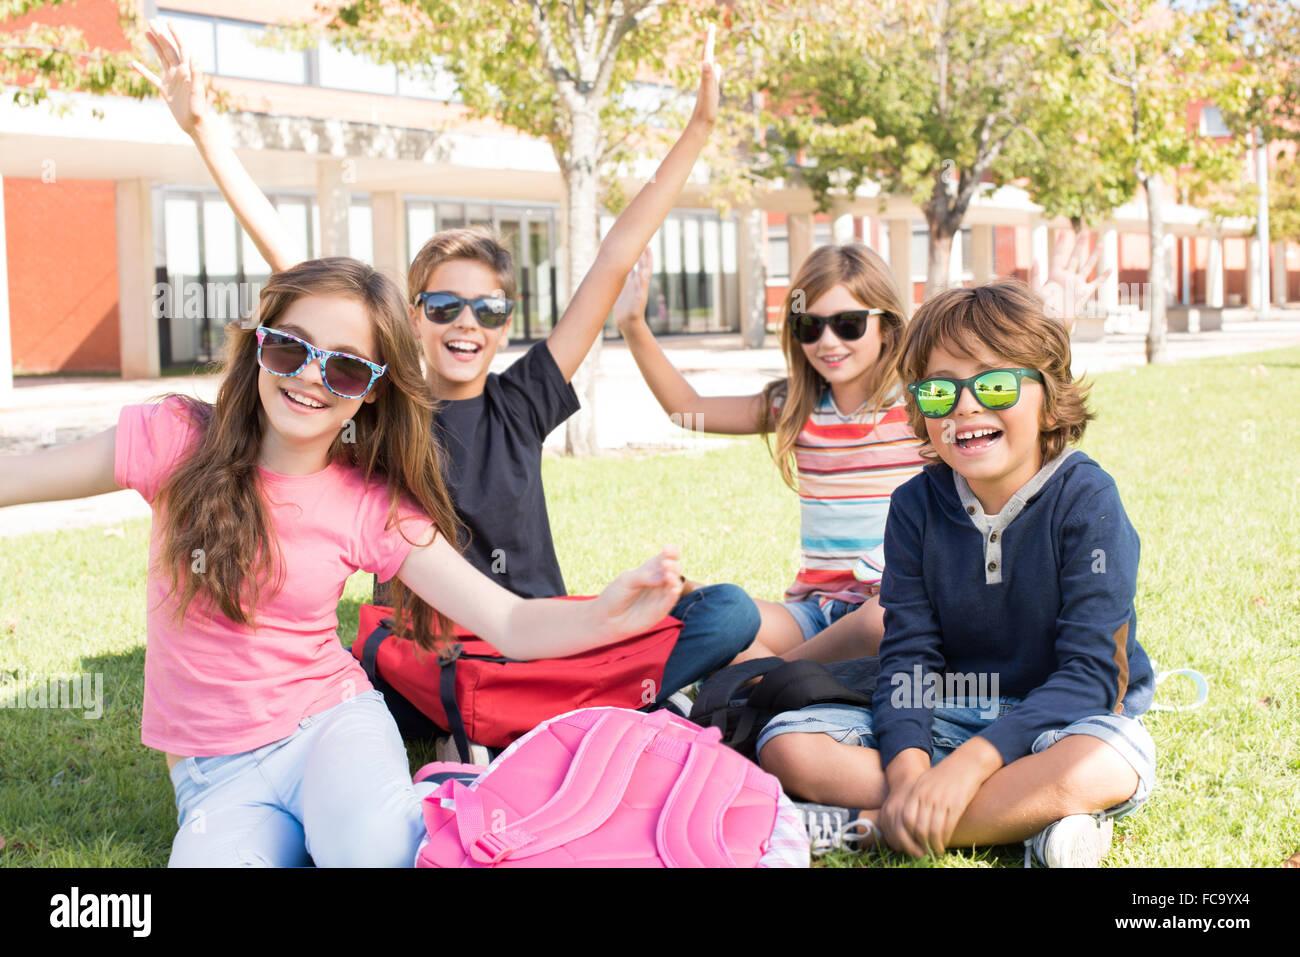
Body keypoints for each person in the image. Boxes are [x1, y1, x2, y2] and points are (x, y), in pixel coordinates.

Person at [134, 23, 760, 704]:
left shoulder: (524, 399)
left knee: (729, 609)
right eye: (444, 305)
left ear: (505, 326)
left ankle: (557, 701)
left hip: (539, 642)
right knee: (357, 671)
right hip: (428, 662)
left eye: (488, 311)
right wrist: (203, 131)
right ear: (409, 317)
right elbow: (297, 266)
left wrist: (698, 127)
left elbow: (613, 258)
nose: (467, 322)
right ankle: (578, 705)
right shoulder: (377, 403)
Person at [0, 259, 685, 867]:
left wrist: (607, 612)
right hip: (216, 775)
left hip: (329, 728)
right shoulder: (172, 440)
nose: (311, 376)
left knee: (372, 851)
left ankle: (428, 802)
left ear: (373, 389)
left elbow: (507, 620)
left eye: (347, 366)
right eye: (292, 348)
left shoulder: (370, 506)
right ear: (260, 345)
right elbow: (17, 477)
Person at [756, 280, 1157, 867]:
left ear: (1048, 396)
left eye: (994, 384)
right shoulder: (914, 507)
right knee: (789, 745)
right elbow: (908, 657)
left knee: (1105, 762)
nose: (966, 406)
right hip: (950, 707)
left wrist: (970, 766)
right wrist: (911, 766)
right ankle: (1025, 824)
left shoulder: (1087, 498)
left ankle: (874, 828)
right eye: (939, 392)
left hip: (1064, 716)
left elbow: (1093, 675)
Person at [615, 242, 925, 663]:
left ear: (887, 326)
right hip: (811, 613)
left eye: (848, 323)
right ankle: (788, 671)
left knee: (881, 623)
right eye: (809, 327)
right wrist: (633, 324)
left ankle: (775, 674)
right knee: (711, 615)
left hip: (887, 606)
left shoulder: (920, 406)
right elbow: (688, 412)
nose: (828, 341)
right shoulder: (794, 406)